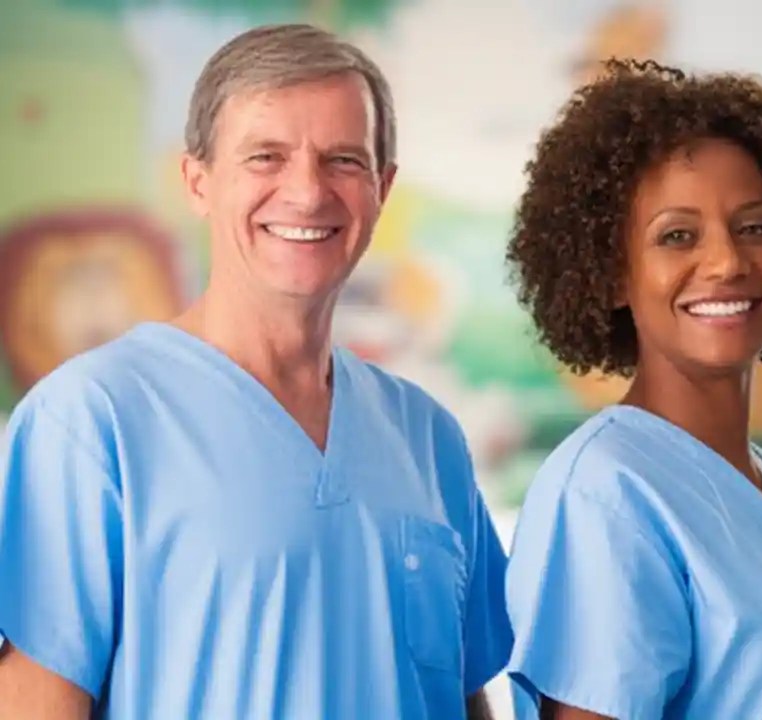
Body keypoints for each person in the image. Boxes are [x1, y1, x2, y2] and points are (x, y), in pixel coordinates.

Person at [0, 24, 512, 719]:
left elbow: (460, 694)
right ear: (197, 181)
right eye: (266, 157)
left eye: (342, 160)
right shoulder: (91, 420)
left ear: (382, 189)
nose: (306, 193)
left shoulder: (429, 439)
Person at [502, 59, 762, 720]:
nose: (727, 262)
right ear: (612, 275)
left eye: (754, 228)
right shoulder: (607, 491)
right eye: (677, 236)